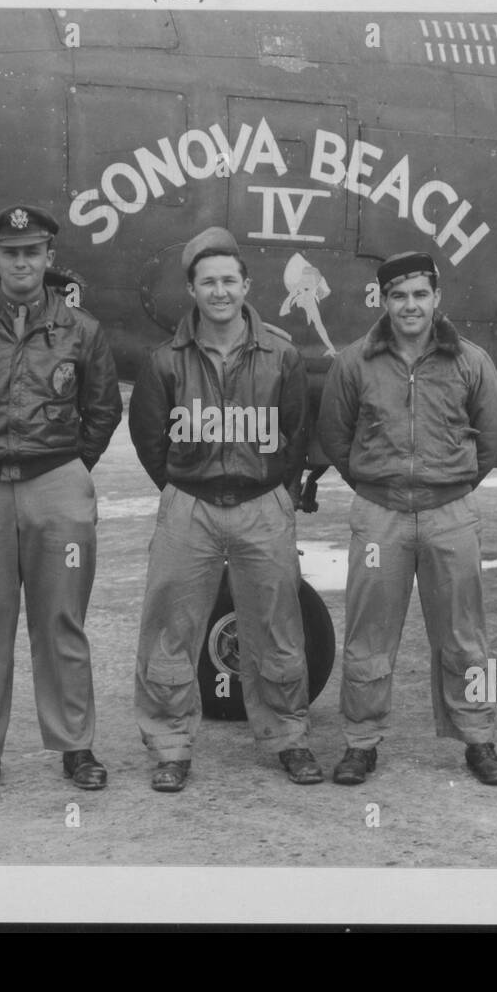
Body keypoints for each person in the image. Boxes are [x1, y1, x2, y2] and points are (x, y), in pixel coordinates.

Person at [0, 204, 122, 795]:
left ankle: (75, 746)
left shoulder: (82, 331)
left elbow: (104, 409)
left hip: (57, 480)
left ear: (49, 259)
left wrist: (65, 467)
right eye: (11, 253)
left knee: (61, 616)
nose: (21, 262)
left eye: (31, 252)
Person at [128, 227, 322, 792]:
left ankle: (289, 738)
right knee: (169, 630)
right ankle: (170, 746)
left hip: (263, 506)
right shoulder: (165, 361)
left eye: (228, 281)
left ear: (247, 285)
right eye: (207, 282)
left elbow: (296, 432)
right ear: (191, 289)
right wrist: (182, 488)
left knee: (278, 629)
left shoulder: (282, 355)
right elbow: (148, 438)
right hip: (190, 507)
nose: (220, 291)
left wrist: (276, 490)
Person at [317, 251, 497, 785]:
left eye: (420, 294)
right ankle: (360, 742)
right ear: (384, 301)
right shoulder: (354, 362)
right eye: (398, 296)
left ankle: (478, 740)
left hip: (451, 515)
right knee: (367, 637)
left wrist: (451, 485)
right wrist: (376, 485)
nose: (410, 305)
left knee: (465, 638)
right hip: (380, 517)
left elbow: (494, 437)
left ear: (437, 298)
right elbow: (335, 434)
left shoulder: (470, 361)